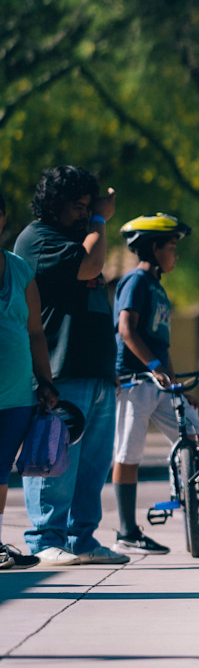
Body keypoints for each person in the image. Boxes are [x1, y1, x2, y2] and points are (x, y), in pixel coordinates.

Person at [13, 166, 127, 566]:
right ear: (52, 204)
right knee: (53, 461)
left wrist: (108, 367)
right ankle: (45, 540)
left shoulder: (80, 238)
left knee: (93, 464)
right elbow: (92, 267)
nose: (84, 214)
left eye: (87, 206)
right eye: (77, 207)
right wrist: (100, 218)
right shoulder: (39, 238)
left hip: (95, 368)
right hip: (61, 370)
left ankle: (83, 539)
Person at [111, 214, 199, 555]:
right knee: (128, 454)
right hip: (135, 381)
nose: (176, 254)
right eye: (172, 246)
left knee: (198, 434)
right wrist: (154, 367)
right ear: (153, 247)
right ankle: (127, 530)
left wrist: (176, 385)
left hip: (160, 383)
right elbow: (126, 330)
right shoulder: (134, 282)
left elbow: (162, 345)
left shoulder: (158, 288)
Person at [0, 195, 60, 570]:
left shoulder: (20, 270)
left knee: (1, 473)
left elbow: (36, 333)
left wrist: (46, 383)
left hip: (17, 396)